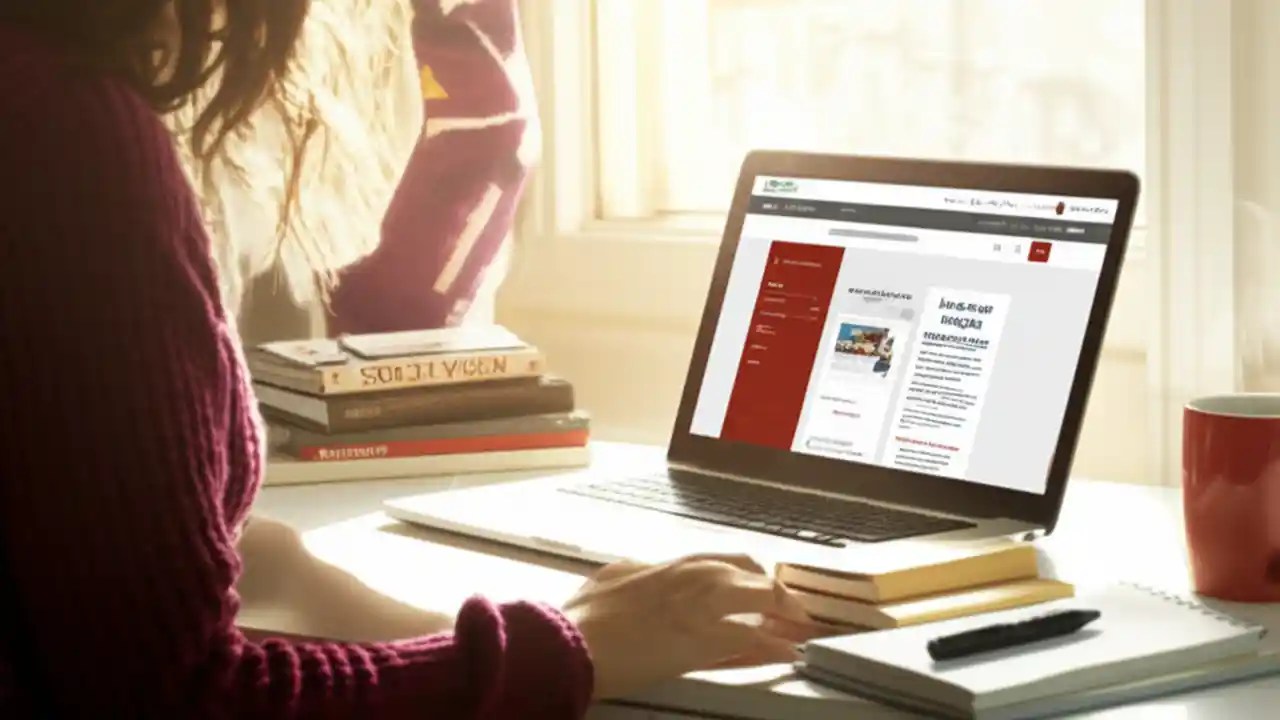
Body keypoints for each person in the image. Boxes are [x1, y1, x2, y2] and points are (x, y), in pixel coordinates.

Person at [0, 2, 816, 717]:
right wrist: (573, 649)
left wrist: (534, 625)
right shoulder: (64, 133)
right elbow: (182, 697)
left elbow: (236, 561)